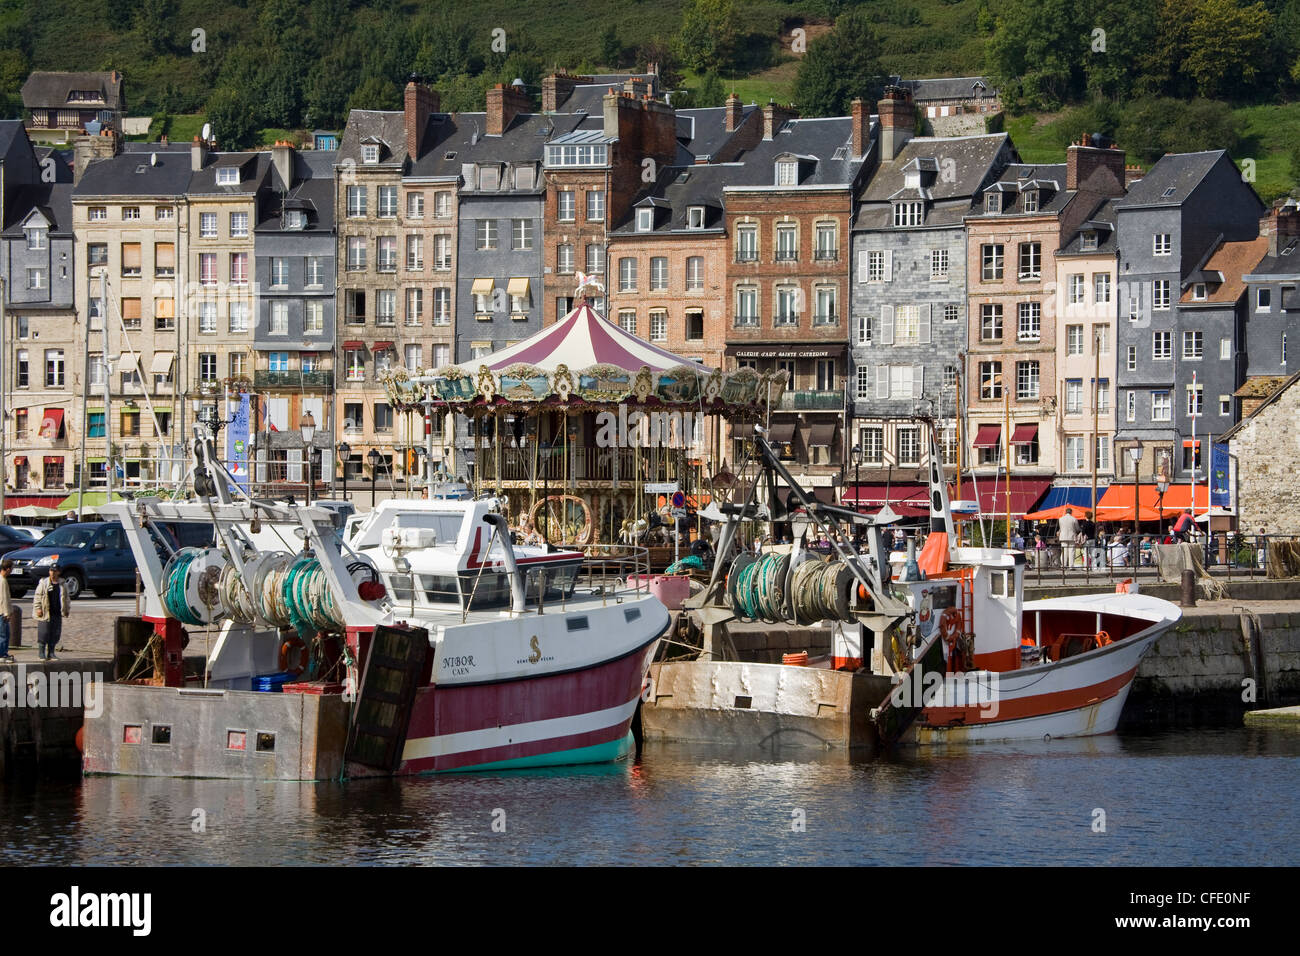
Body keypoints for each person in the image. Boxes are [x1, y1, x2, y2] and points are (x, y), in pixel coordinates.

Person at [33, 563, 70, 661]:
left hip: (57, 612)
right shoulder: (43, 583)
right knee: (43, 633)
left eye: (54, 571)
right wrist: (38, 608)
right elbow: (37, 596)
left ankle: (51, 653)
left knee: (55, 633)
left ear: (58, 572)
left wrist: (66, 610)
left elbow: (66, 598)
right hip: (46, 612)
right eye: (51, 570)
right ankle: (41, 653)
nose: (52, 573)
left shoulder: (63, 584)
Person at [0, 559, 14, 663]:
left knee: (4, 634)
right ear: (8, 569)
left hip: (2, 612)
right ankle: (2, 654)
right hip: (2, 613)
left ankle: (3, 653)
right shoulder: (2, 581)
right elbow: (3, 598)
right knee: (4, 634)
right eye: (11, 569)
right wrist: (6, 613)